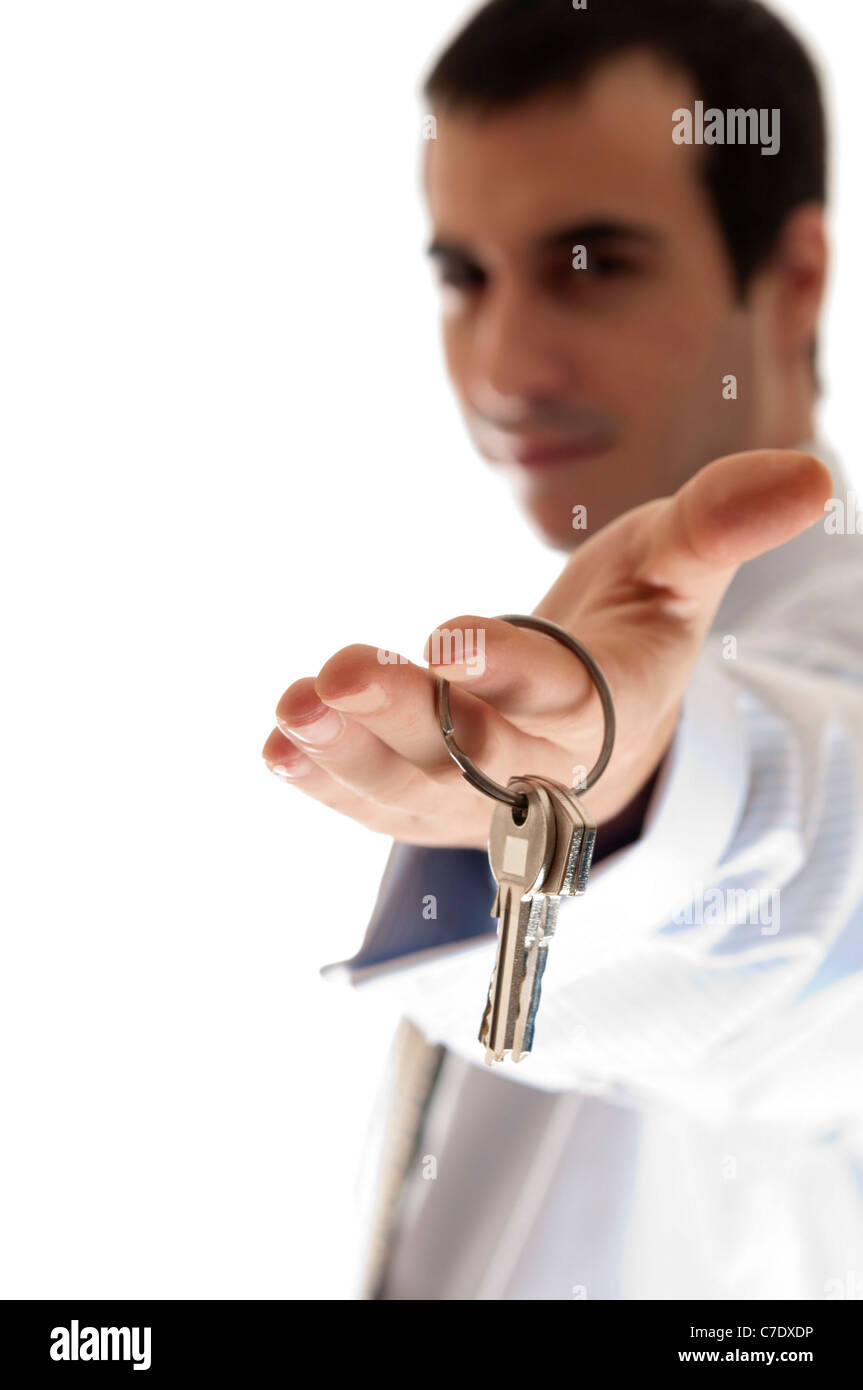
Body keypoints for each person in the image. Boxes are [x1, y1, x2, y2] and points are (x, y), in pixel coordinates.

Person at [262, 0, 863, 1299]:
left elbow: (835, 918)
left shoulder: (827, 672)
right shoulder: (540, 684)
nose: (504, 362)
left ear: (796, 279)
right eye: (465, 275)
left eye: (592, 262)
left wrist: (650, 802)